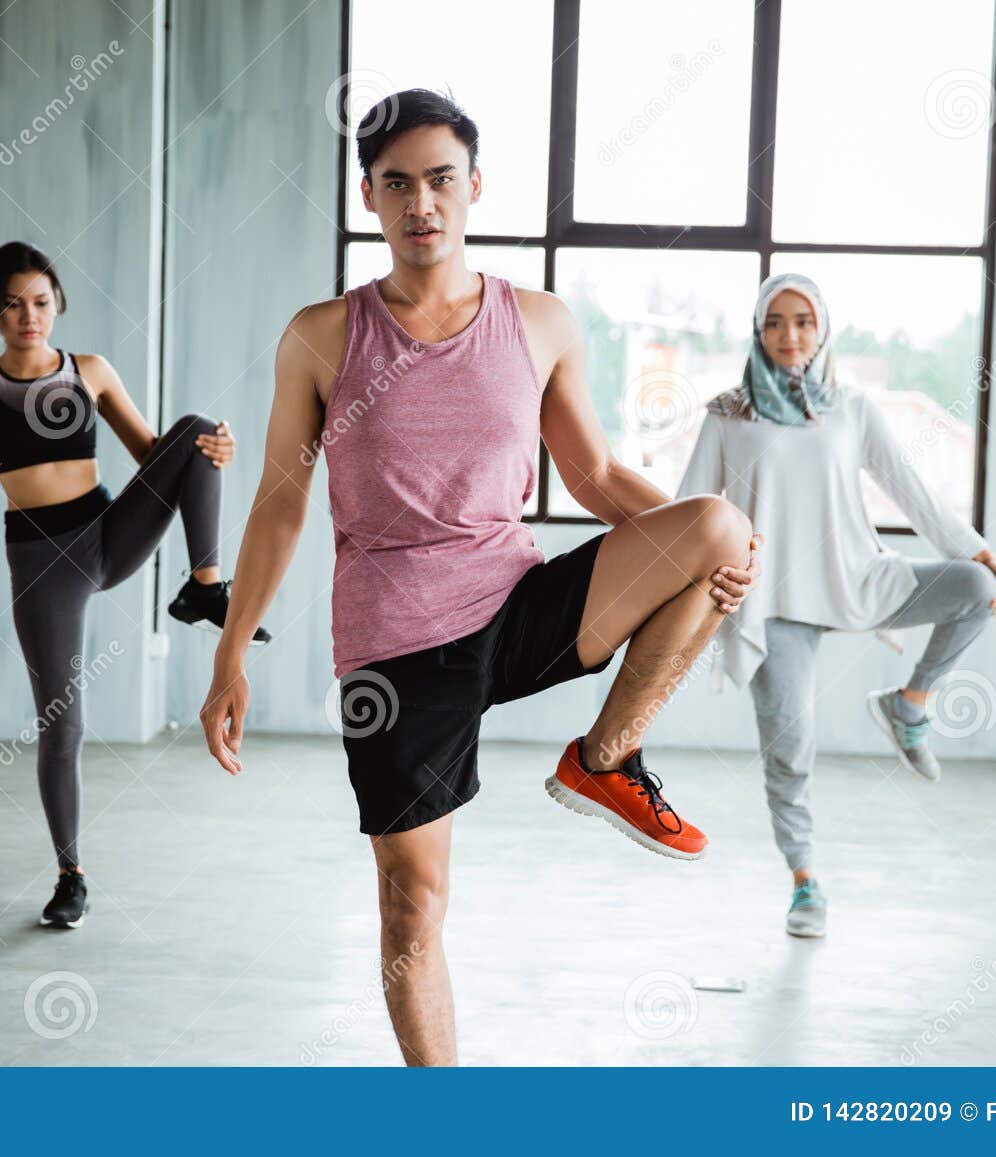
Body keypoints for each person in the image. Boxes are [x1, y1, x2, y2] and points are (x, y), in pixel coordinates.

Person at [197, 90, 761, 1065]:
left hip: (516, 602)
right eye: (399, 182)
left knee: (717, 524)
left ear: (474, 187)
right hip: (395, 649)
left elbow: (591, 475)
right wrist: (231, 650)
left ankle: (605, 758)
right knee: (413, 906)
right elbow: (280, 502)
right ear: (369, 192)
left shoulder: (537, 322)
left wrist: (705, 556)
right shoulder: (321, 337)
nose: (423, 201)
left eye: (442, 179)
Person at [0, 240, 269, 929]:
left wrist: (213, 452)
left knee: (194, 431)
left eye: (40, 302)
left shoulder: (91, 371)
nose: (28, 316)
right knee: (62, 726)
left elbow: (154, 452)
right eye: (12, 305)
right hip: (41, 565)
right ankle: (70, 873)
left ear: (57, 305)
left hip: (104, 537)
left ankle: (204, 587)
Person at [678, 271, 996, 939]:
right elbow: (688, 509)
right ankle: (804, 880)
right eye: (775, 321)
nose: (789, 334)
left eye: (803, 320)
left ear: (822, 328)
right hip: (772, 601)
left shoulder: (851, 410)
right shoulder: (727, 414)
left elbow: (910, 489)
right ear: (757, 330)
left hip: (856, 577)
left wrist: (975, 551)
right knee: (791, 744)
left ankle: (908, 704)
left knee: (977, 592)